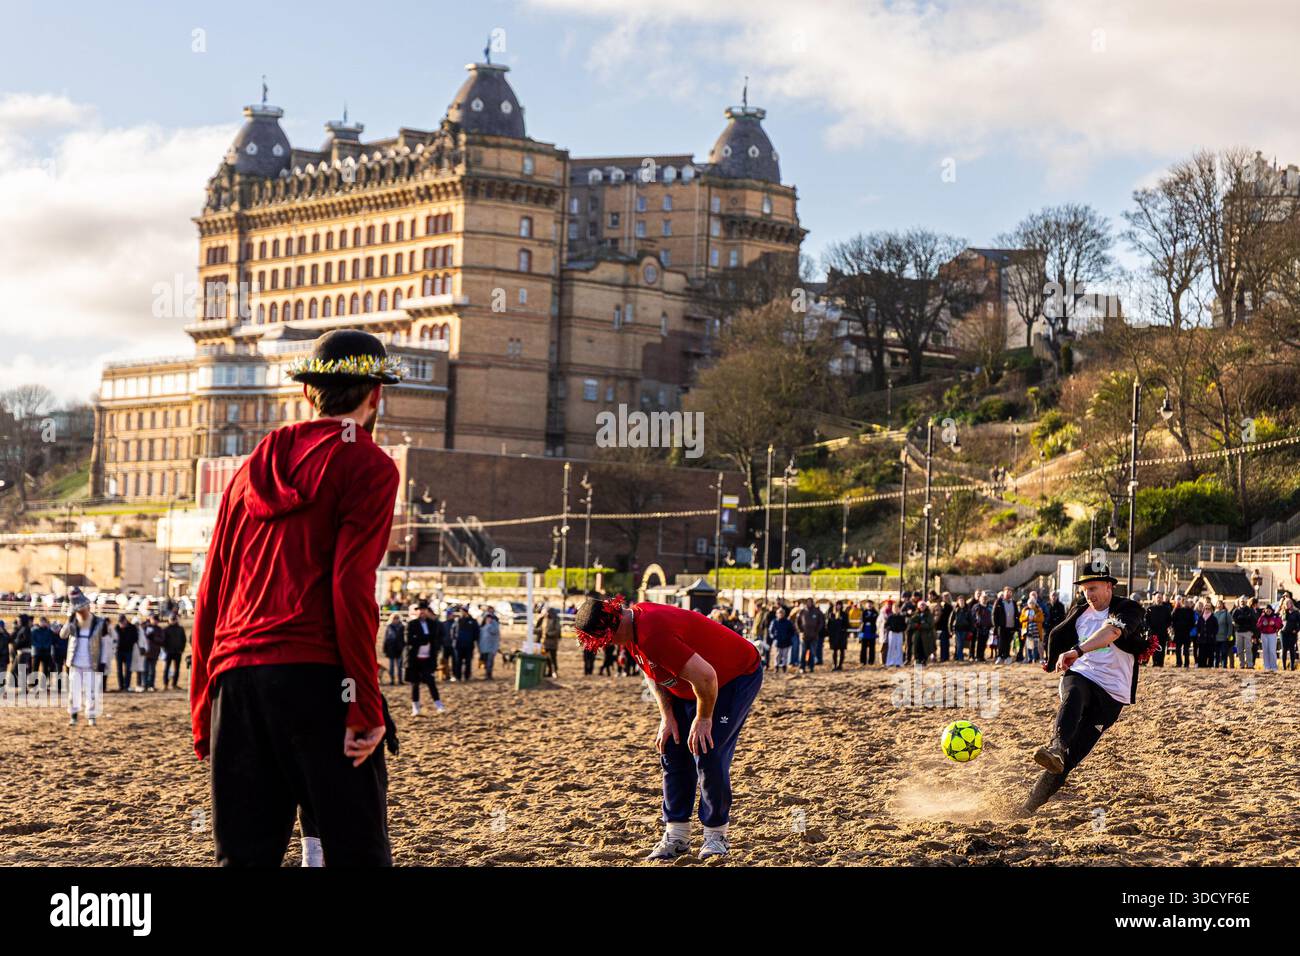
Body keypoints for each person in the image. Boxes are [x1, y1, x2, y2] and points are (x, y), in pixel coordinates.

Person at [189, 328, 402, 867]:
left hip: (235, 682)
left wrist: (202, 708)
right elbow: (351, 587)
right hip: (318, 675)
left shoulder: (248, 470)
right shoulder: (369, 464)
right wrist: (363, 702)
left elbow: (211, 588)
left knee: (243, 859)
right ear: (376, 393)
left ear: (309, 393)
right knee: (358, 854)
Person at [573, 595, 762, 861]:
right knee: (672, 746)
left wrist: (704, 719)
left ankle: (715, 834)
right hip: (692, 682)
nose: (608, 646)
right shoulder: (630, 626)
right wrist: (667, 716)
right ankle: (677, 835)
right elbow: (651, 672)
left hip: (733, 676)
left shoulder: (652, 633)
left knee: (708, 749)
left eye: (604, 640)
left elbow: (707, 677)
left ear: (611, 629)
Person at [1022, 561, 1155, 814]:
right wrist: (1055, 659)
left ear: (1108, 586)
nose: (1089, 595)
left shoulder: (1128, 608)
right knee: (1074, 693)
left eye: (1093, 588)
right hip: (1082, 674)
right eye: (1084, 590)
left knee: (1069, 761)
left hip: (1113, 693)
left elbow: (1113, 633)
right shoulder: (1079, 612)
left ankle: (1031, 805)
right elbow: (1059, 634)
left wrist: (1078, 650)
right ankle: (1055, 747)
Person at [60, 589, 107, 727]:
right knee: (74, 691)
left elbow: (104, 643)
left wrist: (103, 661)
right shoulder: (73, 622)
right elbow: (63, 635)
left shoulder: (98, 622)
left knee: (91, 691)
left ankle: (91, 716)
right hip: (75, 662)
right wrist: (69, 621)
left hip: (91, 662)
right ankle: (73, 715)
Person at [406, 602, 446, 715]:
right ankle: (415, 708)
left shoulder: (432, 624)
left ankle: (439, 705)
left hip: (428, 658)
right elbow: (409, 640)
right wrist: (423, 639)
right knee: (415, 684)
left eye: (424, 609)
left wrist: (423, 639)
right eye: (420, 609)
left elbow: (436, 640)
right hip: (415, 659)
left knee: (431, 683)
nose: (422, 612)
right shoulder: (412, 624)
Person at [795, 598, 825, 674]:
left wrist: (817, 631)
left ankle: (811, 667)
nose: (809, 603)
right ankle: (802, 667)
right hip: (804, 636)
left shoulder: (817, 612)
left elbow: (821, 622)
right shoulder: (802, 611)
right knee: (803, 652)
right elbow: (797, 622)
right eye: (808, 602)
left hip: (814, 636)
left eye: (810, 602)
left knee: (812, 652)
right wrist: (800, 631)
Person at [1144, 592, 1172, 668]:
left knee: (1162, 648)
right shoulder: (1150, 608)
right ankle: (1155, 662)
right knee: (1153, 648)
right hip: (1153, 632)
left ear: (1162, 599)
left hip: (1162, 632)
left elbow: (1169, 620)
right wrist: (1149, 628)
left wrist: (1166, 626)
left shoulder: (1166, 609)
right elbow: (1146, 620)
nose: (1159, 599)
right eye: (1157, 597)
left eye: (1160, 597)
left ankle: (1160, 663)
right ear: (1155, 598)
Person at [451, 607, 479, 682]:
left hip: (469, 645)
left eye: (463, 611)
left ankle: (467, 676)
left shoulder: (473, 621)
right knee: (458, 662)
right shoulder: (458, 621)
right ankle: (458, 676)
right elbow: (453, 632)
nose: (461, 613)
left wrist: (472, 640)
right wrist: (454, 640)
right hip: (458, 645)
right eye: (460, 611)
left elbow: (476, 632)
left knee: (468, 662)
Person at [906, 600, 936, 668]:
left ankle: (924, 661)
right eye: (921, 605)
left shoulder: (929, 615)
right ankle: (917, 661)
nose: (922, 607)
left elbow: (930, 625)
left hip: (926, 635)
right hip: (917, 635)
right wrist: (917, 625)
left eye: (923, 605)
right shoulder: (915, 614)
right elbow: (911, 623)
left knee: (924, 648)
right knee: (916, 648)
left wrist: (921, 626)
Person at [1231, 596, 1257, 670]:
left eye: (1244, 600)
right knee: (1239, 649)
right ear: (1239, 602)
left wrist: (1254, 634)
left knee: (1248, 649)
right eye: (1241, 601)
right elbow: (1234, 620)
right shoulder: (1236, 611)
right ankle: (1242, 664)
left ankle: (1250, 664)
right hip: (1238, 632)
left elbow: (1252, 621)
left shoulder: (1249, 610)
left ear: (1246, 601)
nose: (1242, 602)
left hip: (1248, 632)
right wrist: (1244, 618)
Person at [993, 588, 1018, 664]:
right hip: (1002, 626)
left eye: (1010, 592)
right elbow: (994, 614)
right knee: (1001, 642)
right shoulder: (999, 602)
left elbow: (1016, 614)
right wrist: (996, 625)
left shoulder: (1013, 602)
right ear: (1003, 593)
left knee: (1008, 642)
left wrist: (1016, 625)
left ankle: (1007, 656)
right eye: (1007, 592)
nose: (1008, 594)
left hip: (1011, 626)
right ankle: (1000, 656)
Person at [767, 605, 795, 672]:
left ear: (784, 614)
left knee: (785, 655)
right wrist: (774, 637)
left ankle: (784, 667)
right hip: (777, 641)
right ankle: (776, 667)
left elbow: (792, 631)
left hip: (786, 641)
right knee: (777, 655)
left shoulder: (788, 622)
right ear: (777, 614)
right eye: (779, 613)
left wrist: (788, 637)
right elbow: (770, 631)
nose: (780, 614)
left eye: (782, 613)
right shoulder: (774, 622)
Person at [1169, 595, 1195, 668]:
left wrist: (1188, 629)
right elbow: (1173, 620)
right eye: (1184, 602)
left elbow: (1192, 622)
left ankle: (1187, 664)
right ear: (1181, 602)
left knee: (1186, 649)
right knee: (1178, 649)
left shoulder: (1190, 611)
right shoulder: (1177, 610)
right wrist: (1175, 628)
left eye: (1187, 602)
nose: (1185, 603)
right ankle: (1179, 663)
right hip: (1178, 633)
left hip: (1186, 633)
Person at [1019, 594, 1045, 665]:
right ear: (1028, 604)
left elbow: (1042, 619)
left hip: (1036, 631)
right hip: (1028, 631)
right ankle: (1029, 658)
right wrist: (1027, 618)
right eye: (1030, 603)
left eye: (1033, 603)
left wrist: (1034, 618)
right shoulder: (1025, 610)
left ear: (1035, 603)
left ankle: (1034, 658)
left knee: (1035, 646)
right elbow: (1021, 619)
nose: (1031, 604)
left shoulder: (1038, 610)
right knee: (1028, 645)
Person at [163, 614, 187, 689]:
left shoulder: (180, 629)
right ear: (169, 620)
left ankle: (174, 684)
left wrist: (182, 649)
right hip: (168, 652)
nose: (173, 621)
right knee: (167, 668)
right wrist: (165, 650)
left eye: (174, 619)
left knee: (177, 669)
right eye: (172, 619)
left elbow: (184, 640)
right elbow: (163, 641)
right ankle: (165, 684)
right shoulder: (166, 629)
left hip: (178, 652)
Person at [114, 614, 137, 691]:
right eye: (120, 622)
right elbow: (114, 639)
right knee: (119, 669)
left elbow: (135, 638)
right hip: (119, 651)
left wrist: (129, 643)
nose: (121, 624)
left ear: (125, 620)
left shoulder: (132, 628)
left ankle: (127, 686)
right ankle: (121, 686)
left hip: (128, 651)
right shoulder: (116, 628)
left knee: (128, 669)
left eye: (122, 622)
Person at [538, 605, 563, 677]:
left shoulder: (555, 620)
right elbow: (541, 629)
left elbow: (557, 631)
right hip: (544, 643)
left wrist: (549, 634)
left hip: (552, 643)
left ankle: (554, 672)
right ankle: (547, 672)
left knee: (552, 658)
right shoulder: (544, 619)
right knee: (545, 658)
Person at [382, 612, 406, 686]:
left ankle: (400, 680)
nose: (396, 620)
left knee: (399, 666)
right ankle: (392, 680)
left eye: (397, 618)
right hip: (391, 648)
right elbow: (386, 638)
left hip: (399, 649)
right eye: (394, 618)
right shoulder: (389, 627)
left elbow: (403, 638)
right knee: (391, 666)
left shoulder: (402, 627)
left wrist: (402, 646)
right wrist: (385, 648)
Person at [1193, 599, 1219, 668]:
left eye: (1208, 608)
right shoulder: (1201, 618)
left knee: (1210, 653)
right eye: (1206, 608)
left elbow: (1216, 628)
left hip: (1210, 638)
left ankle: (1210, 665)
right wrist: (1198, 633)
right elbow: (1198, 626)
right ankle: (1202, 665)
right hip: (1202, 638)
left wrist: (1213, 634)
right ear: (1204, 609)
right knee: (1202, 653)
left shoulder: (1213, 618)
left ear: (1211, 609)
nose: (1207, 609)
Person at [1257, 602, 1282, 671]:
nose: (1268, 611)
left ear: (1272, 610)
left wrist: (1274, 623)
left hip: (1272, 634)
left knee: (1272, 650)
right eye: (1267, 610)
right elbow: (1258, 626)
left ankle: (1274, 667)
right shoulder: (1262, 617)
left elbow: (1280, 625)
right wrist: (1262, 624)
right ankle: (1267, 667)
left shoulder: (1275, 616)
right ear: (1264, 610)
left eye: (1269, 610)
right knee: (1265, 651)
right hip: (1264, 635)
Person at [881, 599, 906, 667]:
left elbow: (904, 625)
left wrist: (901, 629)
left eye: (897, 608)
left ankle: (898, 662)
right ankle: (890, 662)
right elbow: (886, 625)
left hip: (899, 634)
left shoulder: (901, 617)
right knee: (891, 647)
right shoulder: (890, 617)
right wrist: (890, 628)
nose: (896, 609)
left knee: (899, 647)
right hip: (892, 633)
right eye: (894, 608)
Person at [826, 600, 850, 671]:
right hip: (834, 635)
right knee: (834, 651)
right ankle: (834, 665)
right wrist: (829, 633)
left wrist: (842, 625)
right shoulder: (831, 614)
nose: (838, 606)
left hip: (842, 635)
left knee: (842, 651)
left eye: (839, 605)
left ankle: (840, 665)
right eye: (837, 605)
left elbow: (847, 625)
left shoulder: (844, 614)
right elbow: (828, 625)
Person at [478, 608, 500, 679]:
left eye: (490, 618)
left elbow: (495, 632)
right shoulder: (482, 627)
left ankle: (489, 675)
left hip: (492, 647)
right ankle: (486, 674)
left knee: (490, 662)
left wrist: (490, 625)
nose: (488, 619)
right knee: (485, 662)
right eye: (487, 618)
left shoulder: (494, 625)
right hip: (483, 648)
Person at [1213, 599, 1233, 668]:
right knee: (1216, 654)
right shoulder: (1214, 614)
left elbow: (1230, 625)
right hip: (1216, 637)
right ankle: (1216, 666)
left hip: (1224, 637)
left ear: (1223, 605)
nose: (1219, 605)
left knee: (1224, 653)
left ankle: (1224, 666)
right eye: (1218, 604)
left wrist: (1229, 635)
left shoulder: (1226, 614)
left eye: (1220, 604)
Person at [952, 596, 973, 663]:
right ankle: (960, 657)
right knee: (959, 643)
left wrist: (970, 630)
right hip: (957, 629)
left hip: (965, 629)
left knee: (962, 644)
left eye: (962, 601)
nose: (961, 602)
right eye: (960, 601)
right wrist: (951, 631)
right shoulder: (955, 610)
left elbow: (971, 621)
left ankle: (959, 657)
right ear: (958, 602)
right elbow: (951, 620)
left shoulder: (967, 610)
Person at [859, 599, 878, 666]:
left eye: (870, 604)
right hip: (864, 630)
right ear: (866, 605)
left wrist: (869, 618)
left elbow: (874, 620)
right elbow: (862, 620)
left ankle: (871, 661)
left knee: (872, 647)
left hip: (872, 630)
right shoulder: (863, 612)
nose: (869, 605)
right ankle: (863, 661)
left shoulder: (875, 612)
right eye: (868, 604)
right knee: (863, 647)